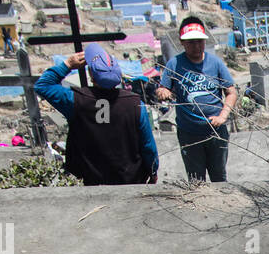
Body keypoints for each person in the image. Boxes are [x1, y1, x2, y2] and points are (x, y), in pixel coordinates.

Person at [34, 44, 158, 187]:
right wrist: (152, 171)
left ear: (92, 75)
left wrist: (67, 65)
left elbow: (42, 85)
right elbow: (148, 146)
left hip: (88, 181)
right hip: (129, 180)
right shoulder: (135, 104)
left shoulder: (74, 100)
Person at [156, 17, 237, 183]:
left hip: (215, 132)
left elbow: (231, 92)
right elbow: (163, 88)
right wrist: (163, 91)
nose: (196, 46)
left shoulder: (215, 63)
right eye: (191, 42)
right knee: (195, 179)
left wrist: (223, 116)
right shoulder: (175, 64)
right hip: (189, 133)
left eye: (200, 41)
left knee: (219, 177)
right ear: (182, 43)